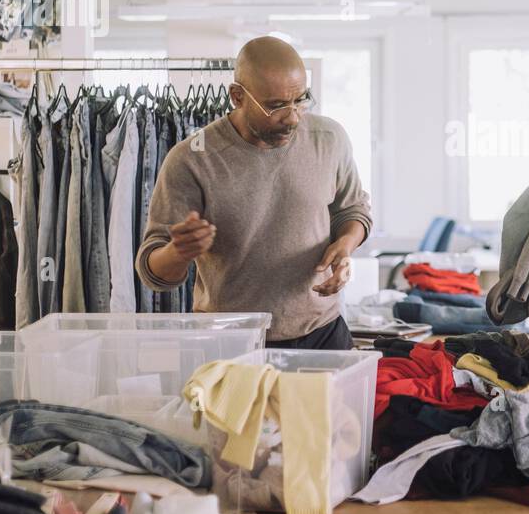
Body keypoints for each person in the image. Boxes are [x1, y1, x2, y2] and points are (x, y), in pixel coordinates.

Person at [136, 36, 372, 349]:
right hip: (230, 342)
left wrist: (345, 245)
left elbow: (353, 209)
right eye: (275, 106)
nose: (292, 117)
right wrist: (178, 253)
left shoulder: (329, 138)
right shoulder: (192, 159)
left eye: (300, 100)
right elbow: (152, 271)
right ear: (237, 96)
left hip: (324, 334)